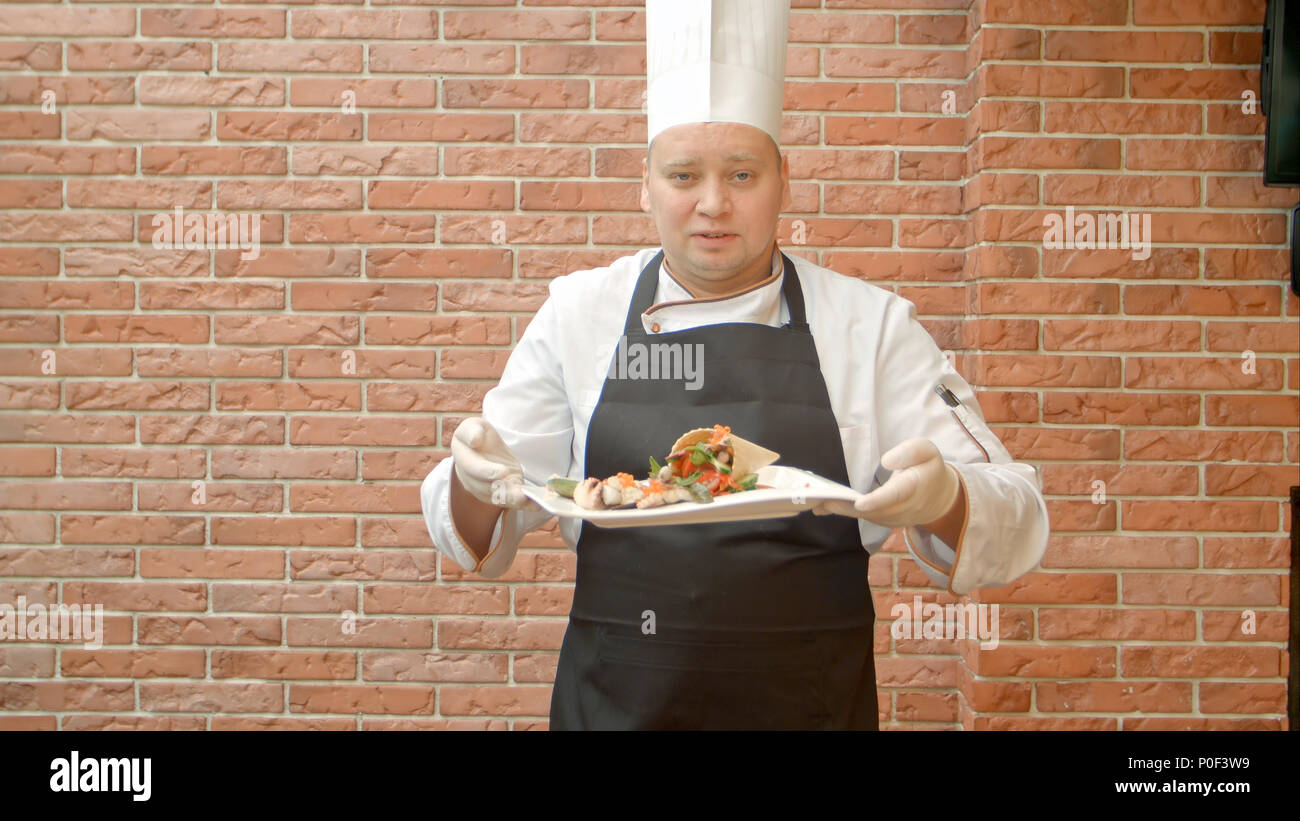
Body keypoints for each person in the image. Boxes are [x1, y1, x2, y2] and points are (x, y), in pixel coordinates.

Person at [420, 0, 1050, 730]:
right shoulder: (578, 314)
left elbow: (1018, 512)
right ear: (647, 183)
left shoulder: (870, 325)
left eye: (743, 174)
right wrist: (474, 479)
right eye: (684, 175)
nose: (712, 204)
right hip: (611, 711)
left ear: (783, 179)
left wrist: (942, 496)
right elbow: (472, 534)